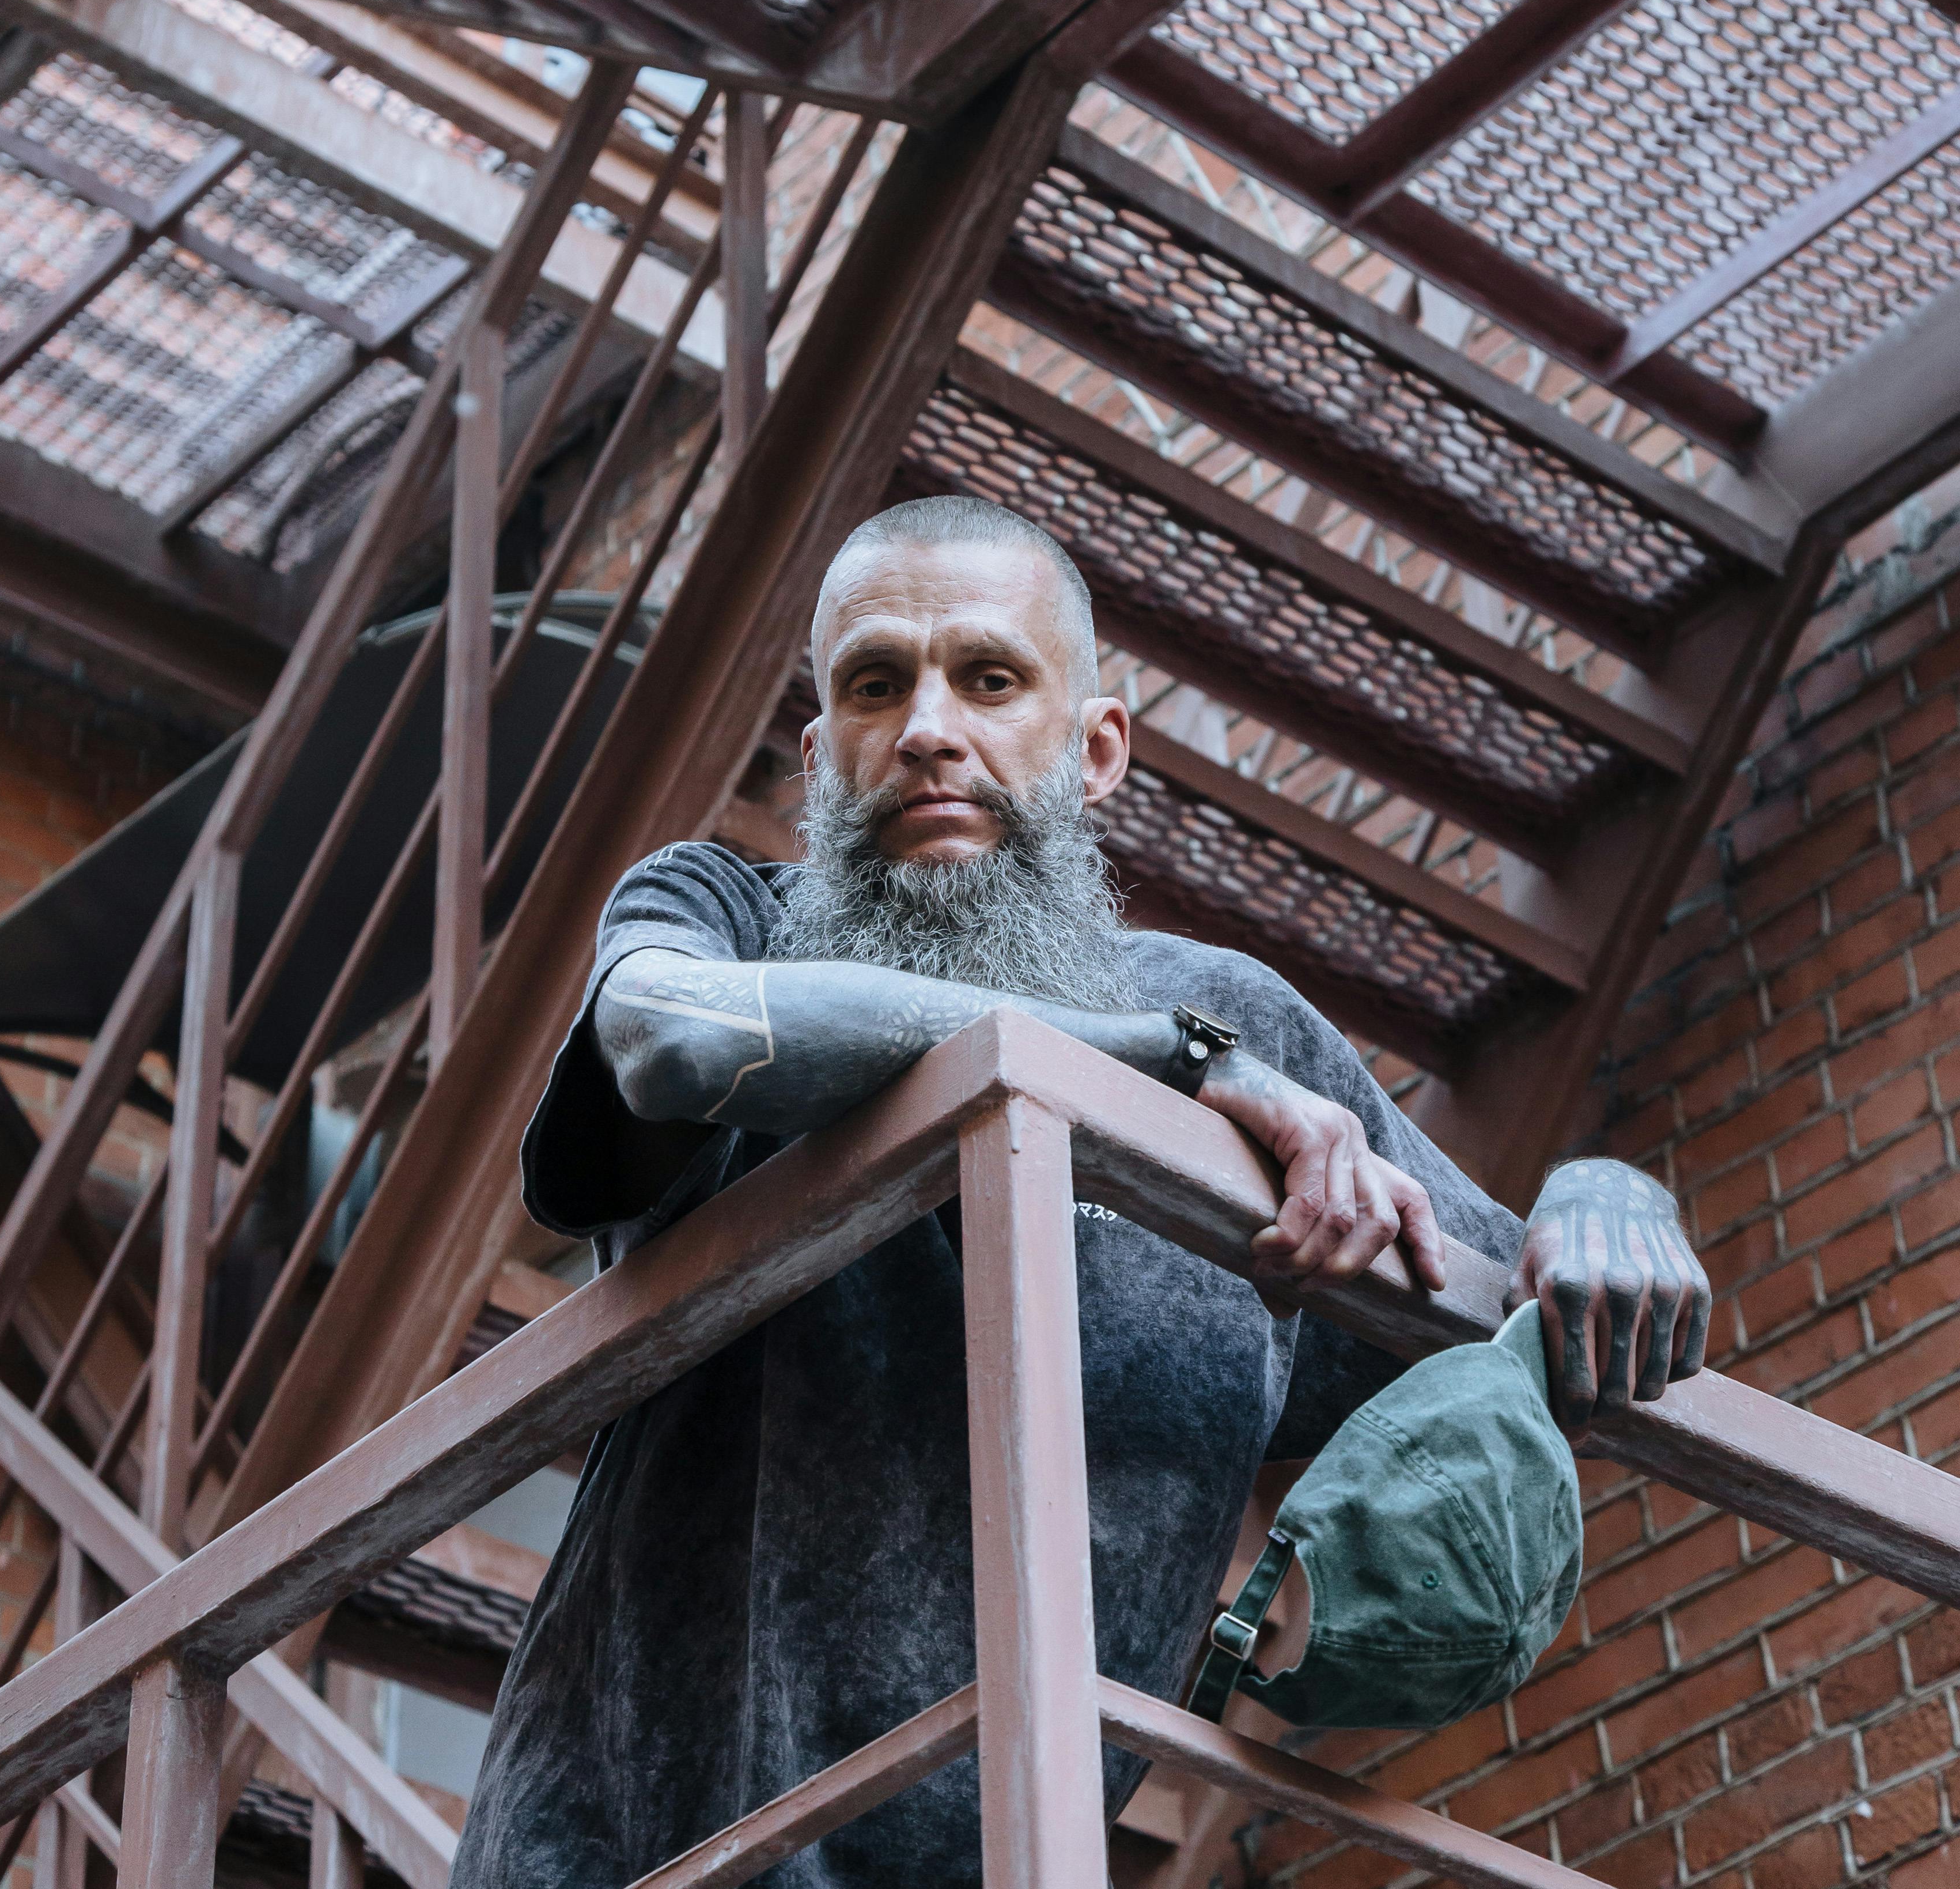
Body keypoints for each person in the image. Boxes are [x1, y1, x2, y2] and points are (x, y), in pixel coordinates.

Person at [451, 496, 1710, 1888]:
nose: (930, 725)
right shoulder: (731, 924)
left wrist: (1611, 1195)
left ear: (1095, 746)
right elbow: (673, 1043)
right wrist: (1160, 1067)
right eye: (878, 684)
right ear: (822, 758)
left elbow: (1518, 1301)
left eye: (990, 677)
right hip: (625, 1858)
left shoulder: (1242, 1027)